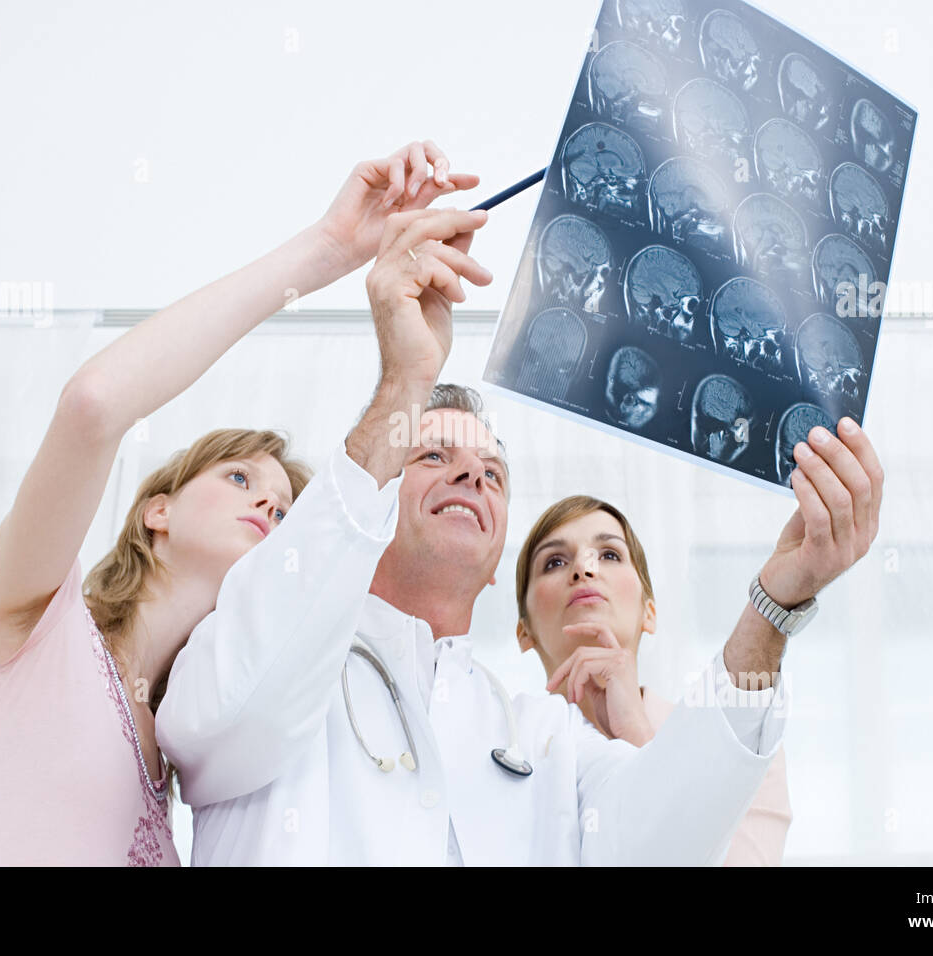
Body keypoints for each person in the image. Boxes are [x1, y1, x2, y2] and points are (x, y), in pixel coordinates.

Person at [156, 200, 886, 865]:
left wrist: (773, 606)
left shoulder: (542, 735)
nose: (471, 476)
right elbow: (223, 718)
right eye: (433, 456)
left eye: (492, 473)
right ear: (376, 496)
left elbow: (666, 838)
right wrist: (403, 384)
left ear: (496, 561)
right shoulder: (260, 641)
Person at [0, 141, 476, 866]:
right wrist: (327, 250)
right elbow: (92, 405)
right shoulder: (32, 620)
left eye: (281, 512)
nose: (268, 510)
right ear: (157, 511)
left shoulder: (178, 767)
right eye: (242, 481)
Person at [514, 495, 792, 865]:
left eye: (609, 554)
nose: (584, 568)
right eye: (555, 561)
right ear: (524, 633)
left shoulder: (740, 745)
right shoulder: (503, 754)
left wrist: (637, 734)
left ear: (650, 613)